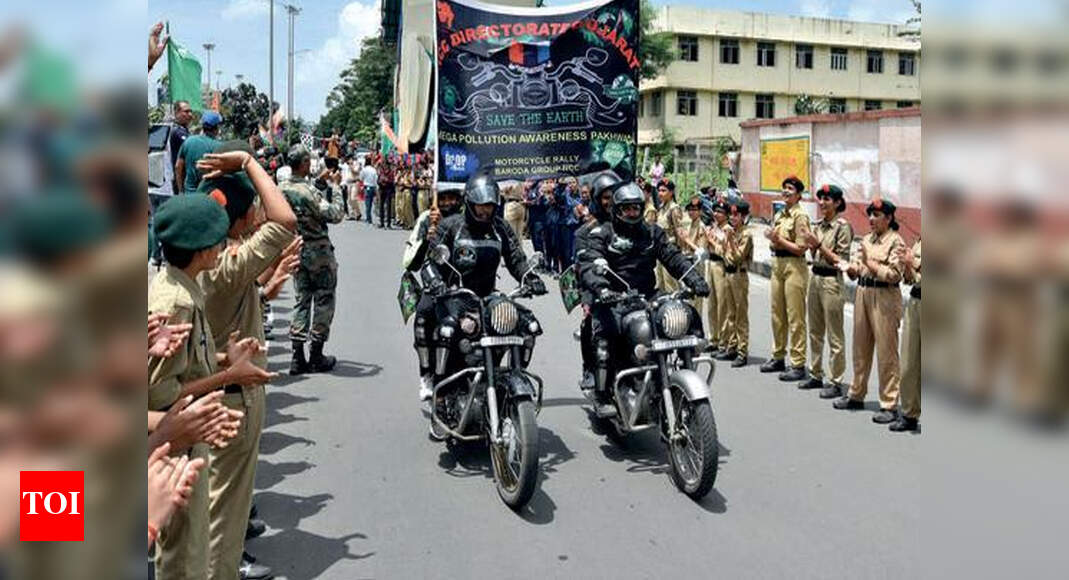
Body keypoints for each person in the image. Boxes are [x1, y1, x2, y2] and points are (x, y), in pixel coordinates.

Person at [149, 194, 274, 580]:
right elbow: (161, 395)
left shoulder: (183, 289)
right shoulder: (176, 302)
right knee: (183, 558)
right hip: (176, 444)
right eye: (219, 240)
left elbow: (180, 367)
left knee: (193, 547)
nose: (225, 246)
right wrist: (228, 377)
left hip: (179, 440)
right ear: (203, 249)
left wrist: (223, 363)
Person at [195, 143, 297, 580]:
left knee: (221, 500)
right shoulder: (228, 263)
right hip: (229, 395)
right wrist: (250, 163)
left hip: (216, 389)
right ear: (236, 220)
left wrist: (269, 288)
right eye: (252, 206)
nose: (258, 210)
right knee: (222, 504)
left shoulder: (203, 260)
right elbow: (286, 221)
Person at [580, 181, 711, 411]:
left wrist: (694, 279)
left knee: (684, 316)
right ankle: (601, 393)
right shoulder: (602, 234)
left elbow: (673, 257)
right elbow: (590, 263)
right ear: (617, 210)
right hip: (614, 298)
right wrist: (601, 288)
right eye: (627, 209)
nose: (632, 213)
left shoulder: (652, 232)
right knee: (604, 337)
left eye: (636, 208)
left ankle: (683, 371)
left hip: (648, 296)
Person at [832, 198, 906, 425]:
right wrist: (850, 268)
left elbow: (894, 274)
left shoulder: (896, 242)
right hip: (863, 293)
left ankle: (889, 404)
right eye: (870, 215)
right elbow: (856, 269)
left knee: (887, 353)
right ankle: (856, 393)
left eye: (877, 215)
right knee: (860, 349)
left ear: (889, 218)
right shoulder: (866, 240)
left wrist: (869, 263)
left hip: (885, 297)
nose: (872, 220)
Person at [420, 172, 547, 299]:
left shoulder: (500, 227)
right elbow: (430, 263)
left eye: (489, 205)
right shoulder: (450, 226)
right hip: (450, 296)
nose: (485, 210)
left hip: (488, 298)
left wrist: (531, 278)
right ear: (470, 203)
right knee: (425, 309)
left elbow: (516, 259)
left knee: (522, 316)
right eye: (480, 205)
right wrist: (435, 282)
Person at [280, 145, 345, 375]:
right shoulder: (308, 192)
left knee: (301, 300)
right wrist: (336, 186)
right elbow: (335, 214)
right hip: (319, 251)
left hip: (296, 249)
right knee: (324, 300)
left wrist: (318, 181)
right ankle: (316, 355)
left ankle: (297, 356)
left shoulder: (282, 188)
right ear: (305, 163)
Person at [402, 185, 463, 400]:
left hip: (466, 284)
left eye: (452, 198)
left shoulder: (470, 218)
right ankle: (426, 373)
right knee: (423, 318)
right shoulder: (427, 219)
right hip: (435, 284)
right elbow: (411, 261)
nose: (447, 203)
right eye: (442, 198)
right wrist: (427, 239)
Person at [797, 184, 853, 396]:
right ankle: (815, 373)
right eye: (820, 199)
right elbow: (813, 254)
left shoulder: (842, 227)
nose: (822, 203)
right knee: (815, 330)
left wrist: (818, 246)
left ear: (837, 203)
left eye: (827, 200)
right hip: (816, 277)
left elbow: (841, 259)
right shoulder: (818, 225)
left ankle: (836, 380)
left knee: (834, 334)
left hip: (831, 280)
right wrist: (812, 245)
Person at [573, 170, 621, 391]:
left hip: (627, 291)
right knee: (589, 326)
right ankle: (590, 369)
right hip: (597, 292)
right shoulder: (585, 232)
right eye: (605, 197)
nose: (610, 201)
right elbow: (584, 268)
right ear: (597, 200)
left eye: (614, 195)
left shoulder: (630, 226)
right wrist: (587, 299)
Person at [761, 175, 811, 382]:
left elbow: (801, 248)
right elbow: (776, 242)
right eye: (784, 188)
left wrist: (778, 239)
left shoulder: (800, 216)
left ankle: (798, 363)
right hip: (778, 264)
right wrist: (772, 240)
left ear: (799, 194)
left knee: (795, 317)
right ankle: (778, 355)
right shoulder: (781, 215)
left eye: (790, 188)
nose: (786, 191)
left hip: (794, 266)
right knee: (777, 314)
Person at [892, 238, 921, 432]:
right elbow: (910, 279)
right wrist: (908, 266)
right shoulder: (920, 241)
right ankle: (910, 413)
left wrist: (913, 263)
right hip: (916, 301)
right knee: (909, 364)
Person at [723, 199, 753, 367]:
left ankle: (742, 351)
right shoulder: (731, 232)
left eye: (736, 215)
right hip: (728, 274)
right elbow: (722, 252)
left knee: (740, 315)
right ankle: (732, 346)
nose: (732, 218)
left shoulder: (745, 234)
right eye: (731, 214)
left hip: (739, 276)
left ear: (743, 216)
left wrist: (731, 240)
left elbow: (738, 257)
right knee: (730, 313)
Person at [174, 111, 222, 194]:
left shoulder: (189, 141)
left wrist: (181, 191)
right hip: (207, 196)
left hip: (189, 195)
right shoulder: (219, 147)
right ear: (217, 128)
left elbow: (178, 167)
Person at [655, 180, 691, 292]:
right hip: (660, 250)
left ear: (671, 193)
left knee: (671, 286)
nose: (660, 193)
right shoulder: (661, 208)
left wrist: (679, 254)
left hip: (670, 251)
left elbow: (679, 232)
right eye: (659, 190)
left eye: (663, 191)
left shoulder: (674, 209)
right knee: (660, 284)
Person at [378, 157, 396, 229]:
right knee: (381, 206)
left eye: (385, 164)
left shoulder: (391, 172)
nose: (384, 165)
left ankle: (388, 223)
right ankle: (382, 222)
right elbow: (378, 180)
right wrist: (380, 181)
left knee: (388, 206)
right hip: (382, 189)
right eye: (383, 164)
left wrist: (386, 180)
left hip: (388, 189)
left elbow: (392, 181)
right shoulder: (381, 172)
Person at [360, 158, 378, 224]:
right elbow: (376, 179)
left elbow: (361, 178)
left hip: (367, 187)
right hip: (373, 187)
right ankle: (370, 217)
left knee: (367, 204)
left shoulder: (364, 169)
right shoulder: (374, 170)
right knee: (372, 203)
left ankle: (368, 219)